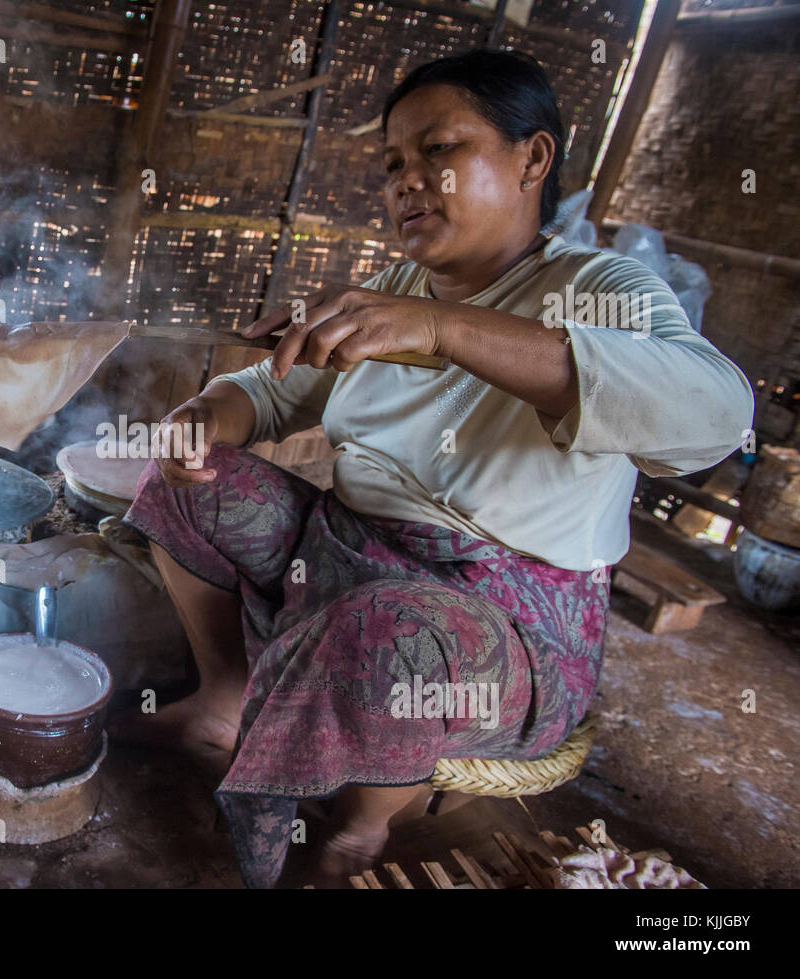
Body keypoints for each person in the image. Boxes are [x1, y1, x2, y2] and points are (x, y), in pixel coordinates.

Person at [114, 49, 755, 889]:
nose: (407, 181)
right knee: (188, 478)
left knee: (392, 634)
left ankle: (366, 820)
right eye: (393, 164)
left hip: (502, 629)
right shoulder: (395, 289)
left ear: (533, 158)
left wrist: (446, 329)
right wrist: (202, 419)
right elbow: (267, 393)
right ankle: (224, 702)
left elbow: (718, 414)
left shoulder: (602, 289)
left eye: (439, 150)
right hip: (341, 559)